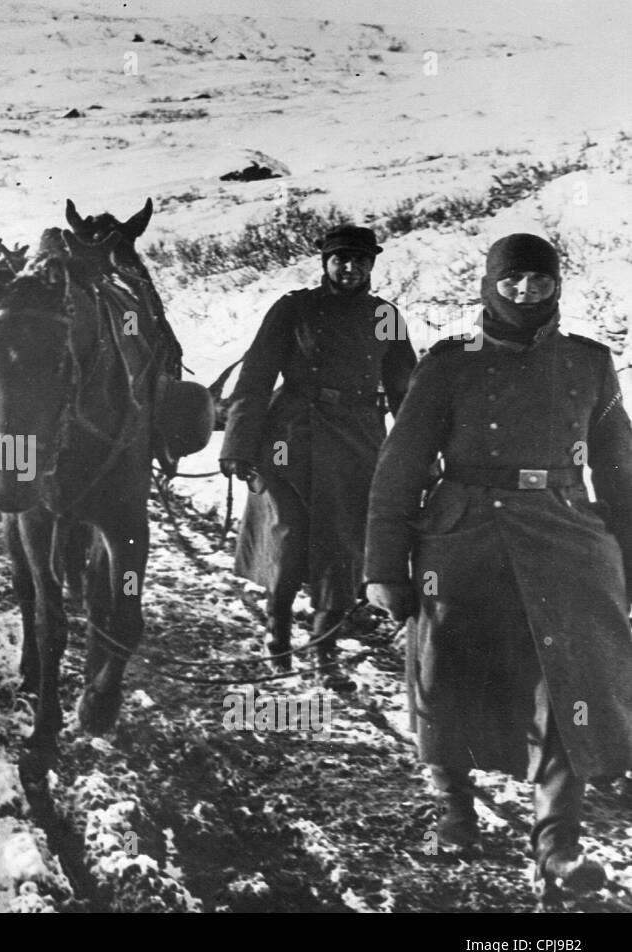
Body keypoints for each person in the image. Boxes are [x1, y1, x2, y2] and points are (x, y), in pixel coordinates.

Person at [365, 233, 632, 899]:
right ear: (490, 282)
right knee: (447, 670)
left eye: (539, 281)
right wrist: (383, 566)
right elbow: (398, 470)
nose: (525, 292)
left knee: (566, 677)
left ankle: (559, 845)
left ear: (556, 285)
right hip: (465, 535)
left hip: (565, 535)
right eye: (512, 279)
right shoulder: (450, 364)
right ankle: (454, 811)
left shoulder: (589, 363)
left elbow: (619, 471)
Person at [219, 224, 415, 689]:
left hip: (358, 439)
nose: (350, 268)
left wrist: (416, 452)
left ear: (371, 265)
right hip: (291, 436)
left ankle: (324, 648)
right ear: (325, 262)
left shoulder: (386, 315)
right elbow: (256, 376)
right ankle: (278, 633)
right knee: (291, 536)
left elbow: (407, 389)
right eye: (340, 259)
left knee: (343, 544)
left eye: (360, 260)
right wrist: (238, 444)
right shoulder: (295, 309)